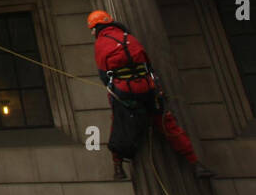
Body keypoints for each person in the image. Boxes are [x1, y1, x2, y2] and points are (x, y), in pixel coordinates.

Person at [87, 10, 215, 181]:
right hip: (148, 88)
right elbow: (148, 64)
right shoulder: (130, 38)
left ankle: (118, 167)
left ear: (96, 28)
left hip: (125, 92)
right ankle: (195, 163)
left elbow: (104, 74)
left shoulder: (101, 43)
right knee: (167, 124)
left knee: (120, 124)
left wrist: (113, 88)